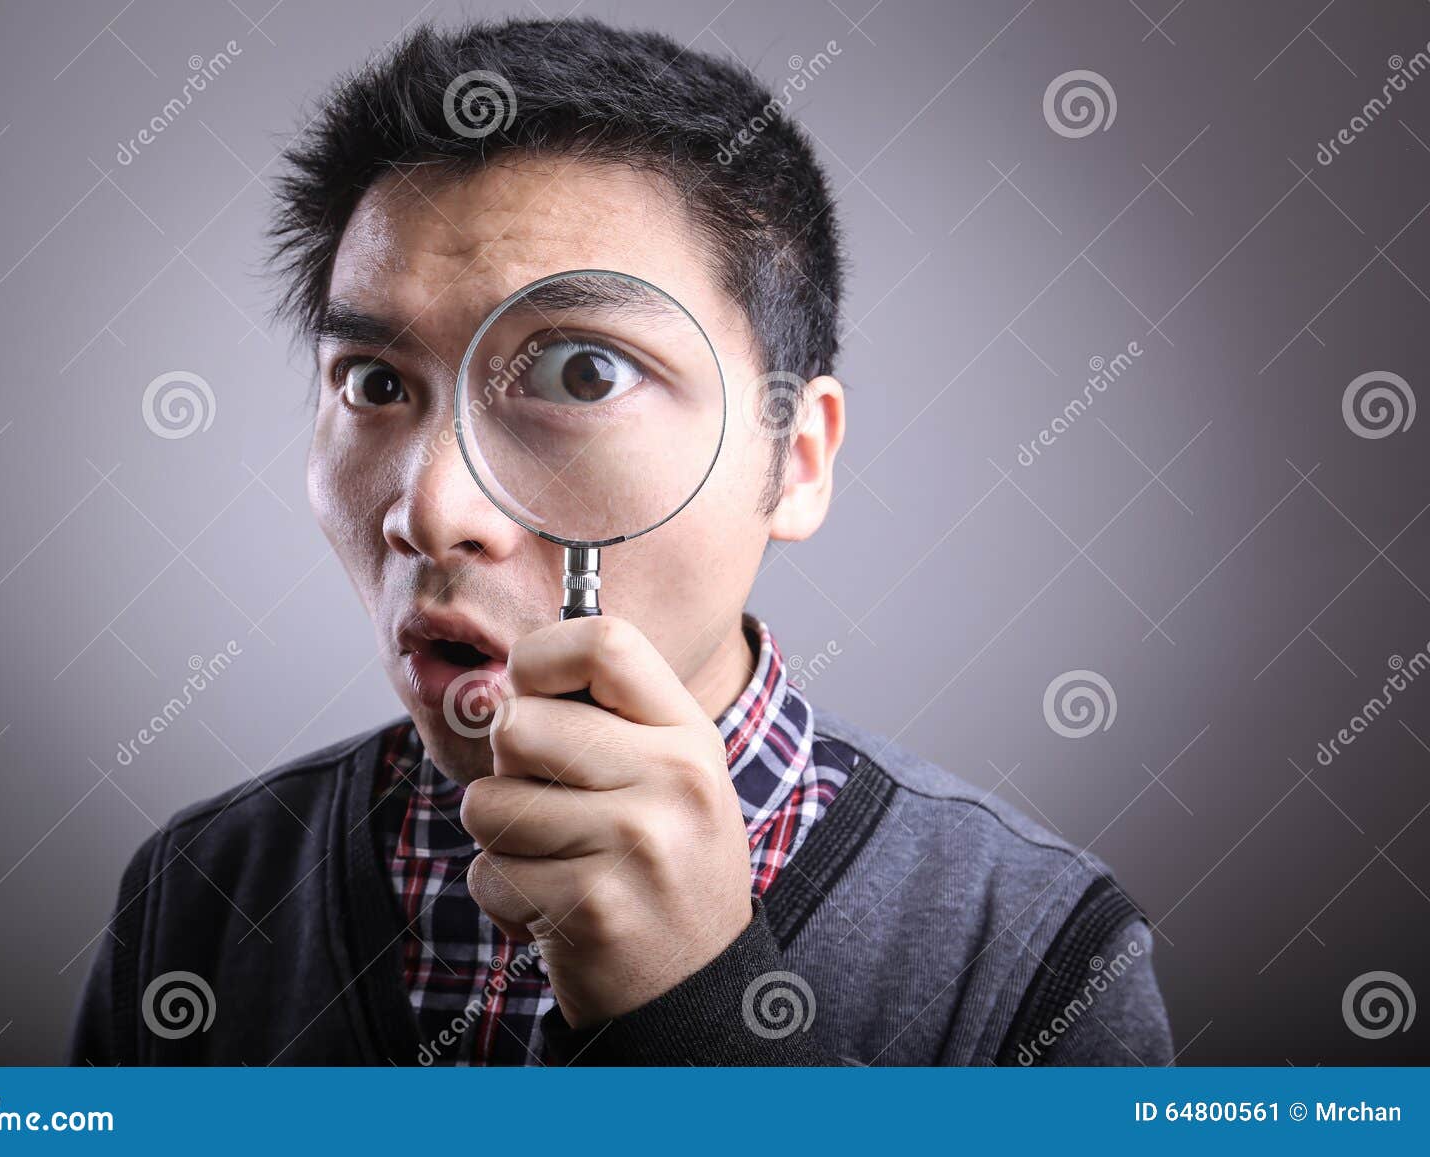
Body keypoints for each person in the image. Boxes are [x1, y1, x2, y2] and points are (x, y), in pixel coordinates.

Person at [69, 16, 1171, 1066]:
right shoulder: (200, 889)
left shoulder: (1033, 949)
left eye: (581, 371)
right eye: (375, 381)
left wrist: (698, 1013)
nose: (433, 509)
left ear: (796, 455)